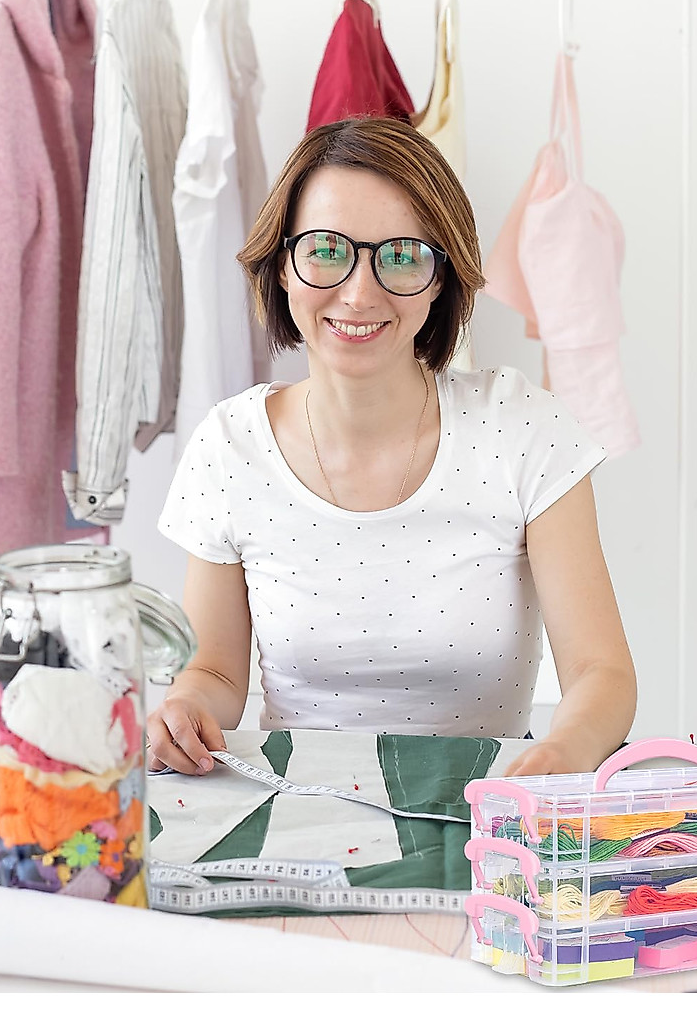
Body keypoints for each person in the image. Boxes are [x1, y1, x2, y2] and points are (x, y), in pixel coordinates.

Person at [147, 117, 636, 779]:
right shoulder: (229, 447)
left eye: (402, 255)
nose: (359, 291)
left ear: (441, 281)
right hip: (297, 808)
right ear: (282, 264)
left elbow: (599, 672)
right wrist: (185, 708)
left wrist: (562, 752)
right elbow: (213, 672)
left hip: (487, 810)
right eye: (325, 248)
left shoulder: (523, 429)